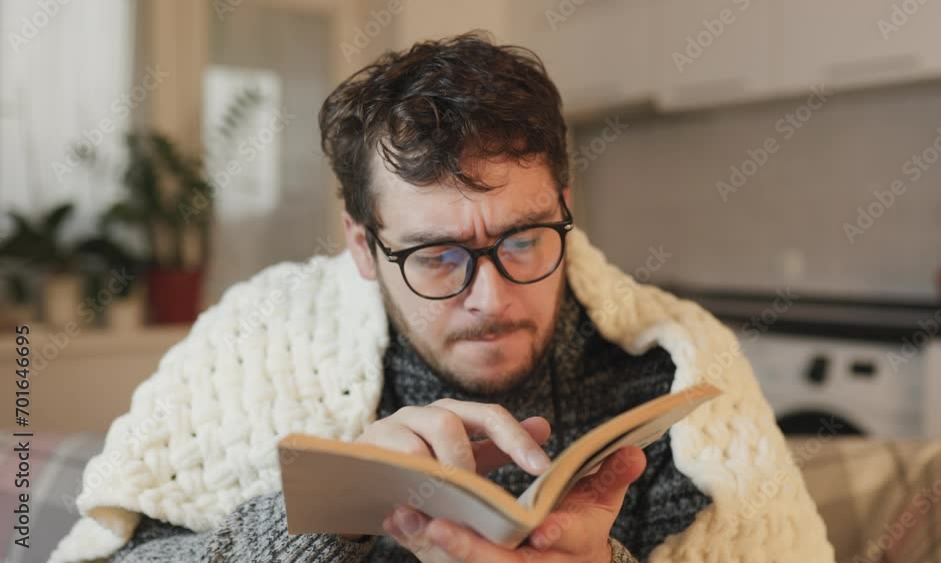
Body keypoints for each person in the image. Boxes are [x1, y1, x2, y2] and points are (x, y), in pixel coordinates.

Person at [51, 32, 833, 563]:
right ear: (364, 246)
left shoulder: (671, 369)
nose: (490, 298)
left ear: (566, 204)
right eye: (436, 256)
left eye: (524, 239)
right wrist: (331, 519)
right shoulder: (256, 342)